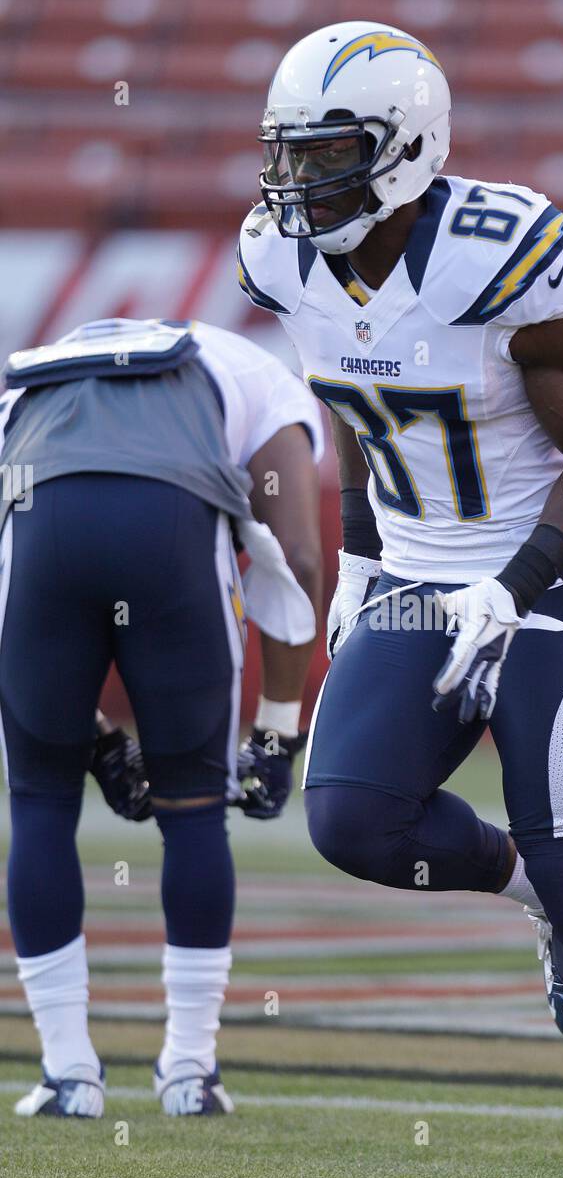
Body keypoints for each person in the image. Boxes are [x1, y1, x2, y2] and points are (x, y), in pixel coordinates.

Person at [236, 22, 563, 1178]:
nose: (297, 182)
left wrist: (514, 585)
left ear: (405, 150)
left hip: (547, 578)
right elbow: (363, 421)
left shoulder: (496, 252)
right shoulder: (283, 258)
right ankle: (534, 903)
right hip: (418, 576)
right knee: (350, 819)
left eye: (327, 154)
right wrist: (367, 570)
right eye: (290, 153)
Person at [0, 317, 323, 1117]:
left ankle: (70, 1074)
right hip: (171, 529)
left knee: (40, 806)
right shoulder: (253, 371)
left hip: (44, 522)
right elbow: (301, 561)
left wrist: (89, 739)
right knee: (193, 811)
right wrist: (278, 733)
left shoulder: (25, 383)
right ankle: (189, 1071)